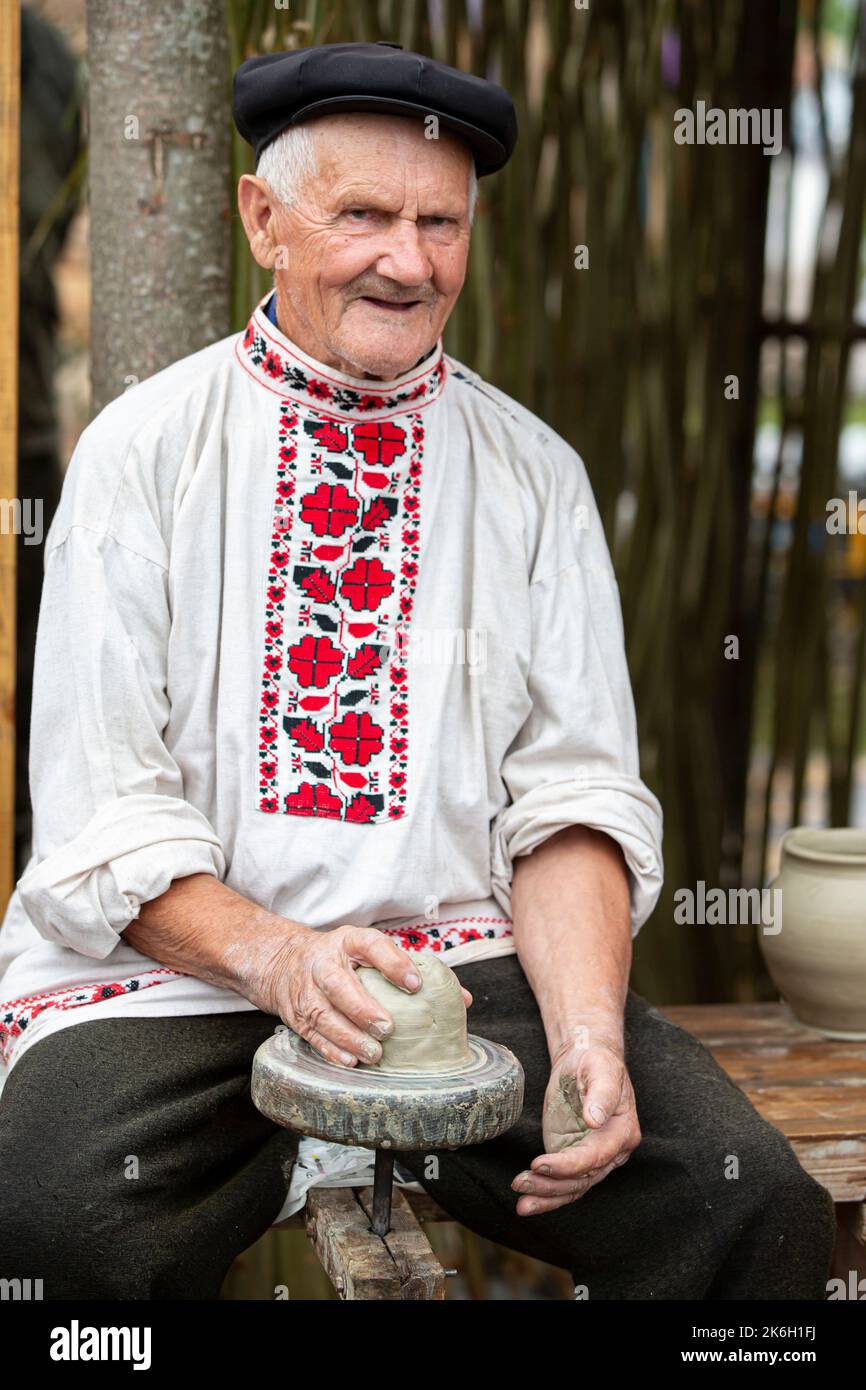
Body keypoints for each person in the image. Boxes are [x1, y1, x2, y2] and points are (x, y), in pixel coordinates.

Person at [0, 41, 835, 1300]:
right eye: (364, 215)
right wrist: (282, 960)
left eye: (439, 222)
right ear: (261, 219)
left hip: (465, 981)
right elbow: (103, 818)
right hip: (176, 987)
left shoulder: (533, 478)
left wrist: (587, 1038)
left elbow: (570, 802)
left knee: (744, 1204)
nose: (409, 258)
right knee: (54, 1230)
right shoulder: (141, 456)